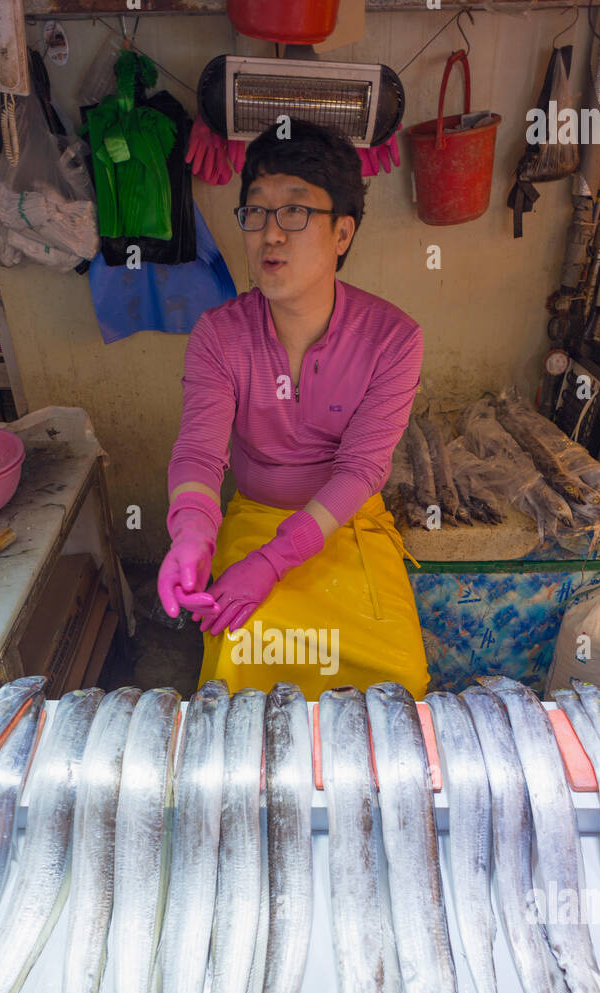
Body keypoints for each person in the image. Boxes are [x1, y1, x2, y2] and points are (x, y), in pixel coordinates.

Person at [157, 117, 430, 700]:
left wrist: (275, 562)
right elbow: (200, 454)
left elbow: (360, 471)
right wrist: (192, 535)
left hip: (345, 525)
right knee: (236, 674)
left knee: (398, 680)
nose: (270, 234)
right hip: (254, 517)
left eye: (296, 211)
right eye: (255, 212)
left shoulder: (394, 338)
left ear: (343, 233)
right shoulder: (218, 334)